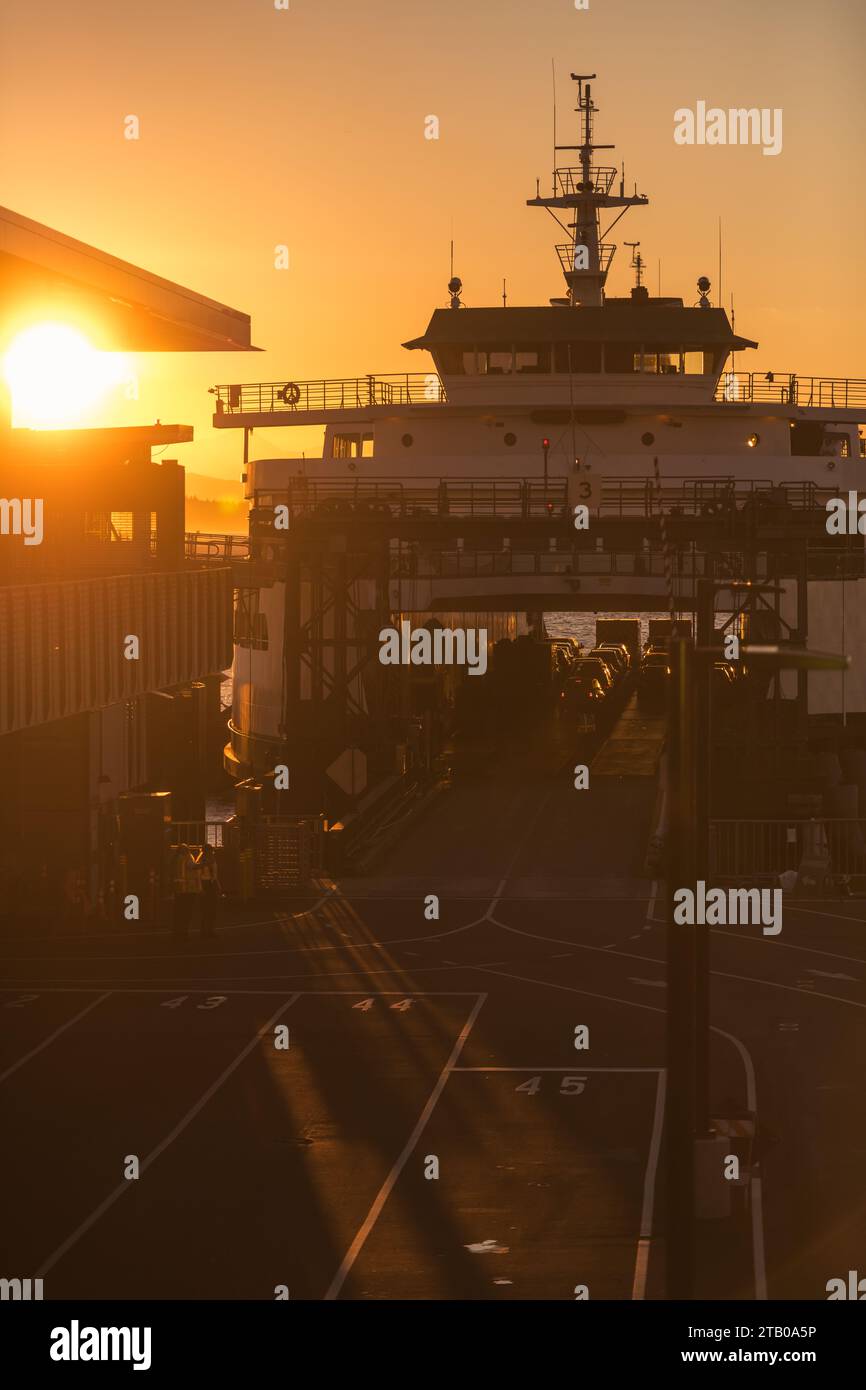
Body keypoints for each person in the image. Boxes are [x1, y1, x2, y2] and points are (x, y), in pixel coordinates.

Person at [171, 843, 200, 938]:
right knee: (187, 912)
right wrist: (204, 863)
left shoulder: (175, 859)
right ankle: (184, 932)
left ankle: (177, 932)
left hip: (178, 888)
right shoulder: (187, 858)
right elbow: (192, 867)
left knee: (178, 912)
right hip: (188, 888)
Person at [197, 843, 221, 938]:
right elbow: (199, 876)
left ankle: (210, 930)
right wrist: (200, 888)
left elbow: (215, 874)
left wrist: (217, 884)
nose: (211, 852)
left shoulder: (212, 860)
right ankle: (204, 930)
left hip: (211, 884)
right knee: (205, 908)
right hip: (205, 884)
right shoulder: (202, 861)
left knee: (212, 908)